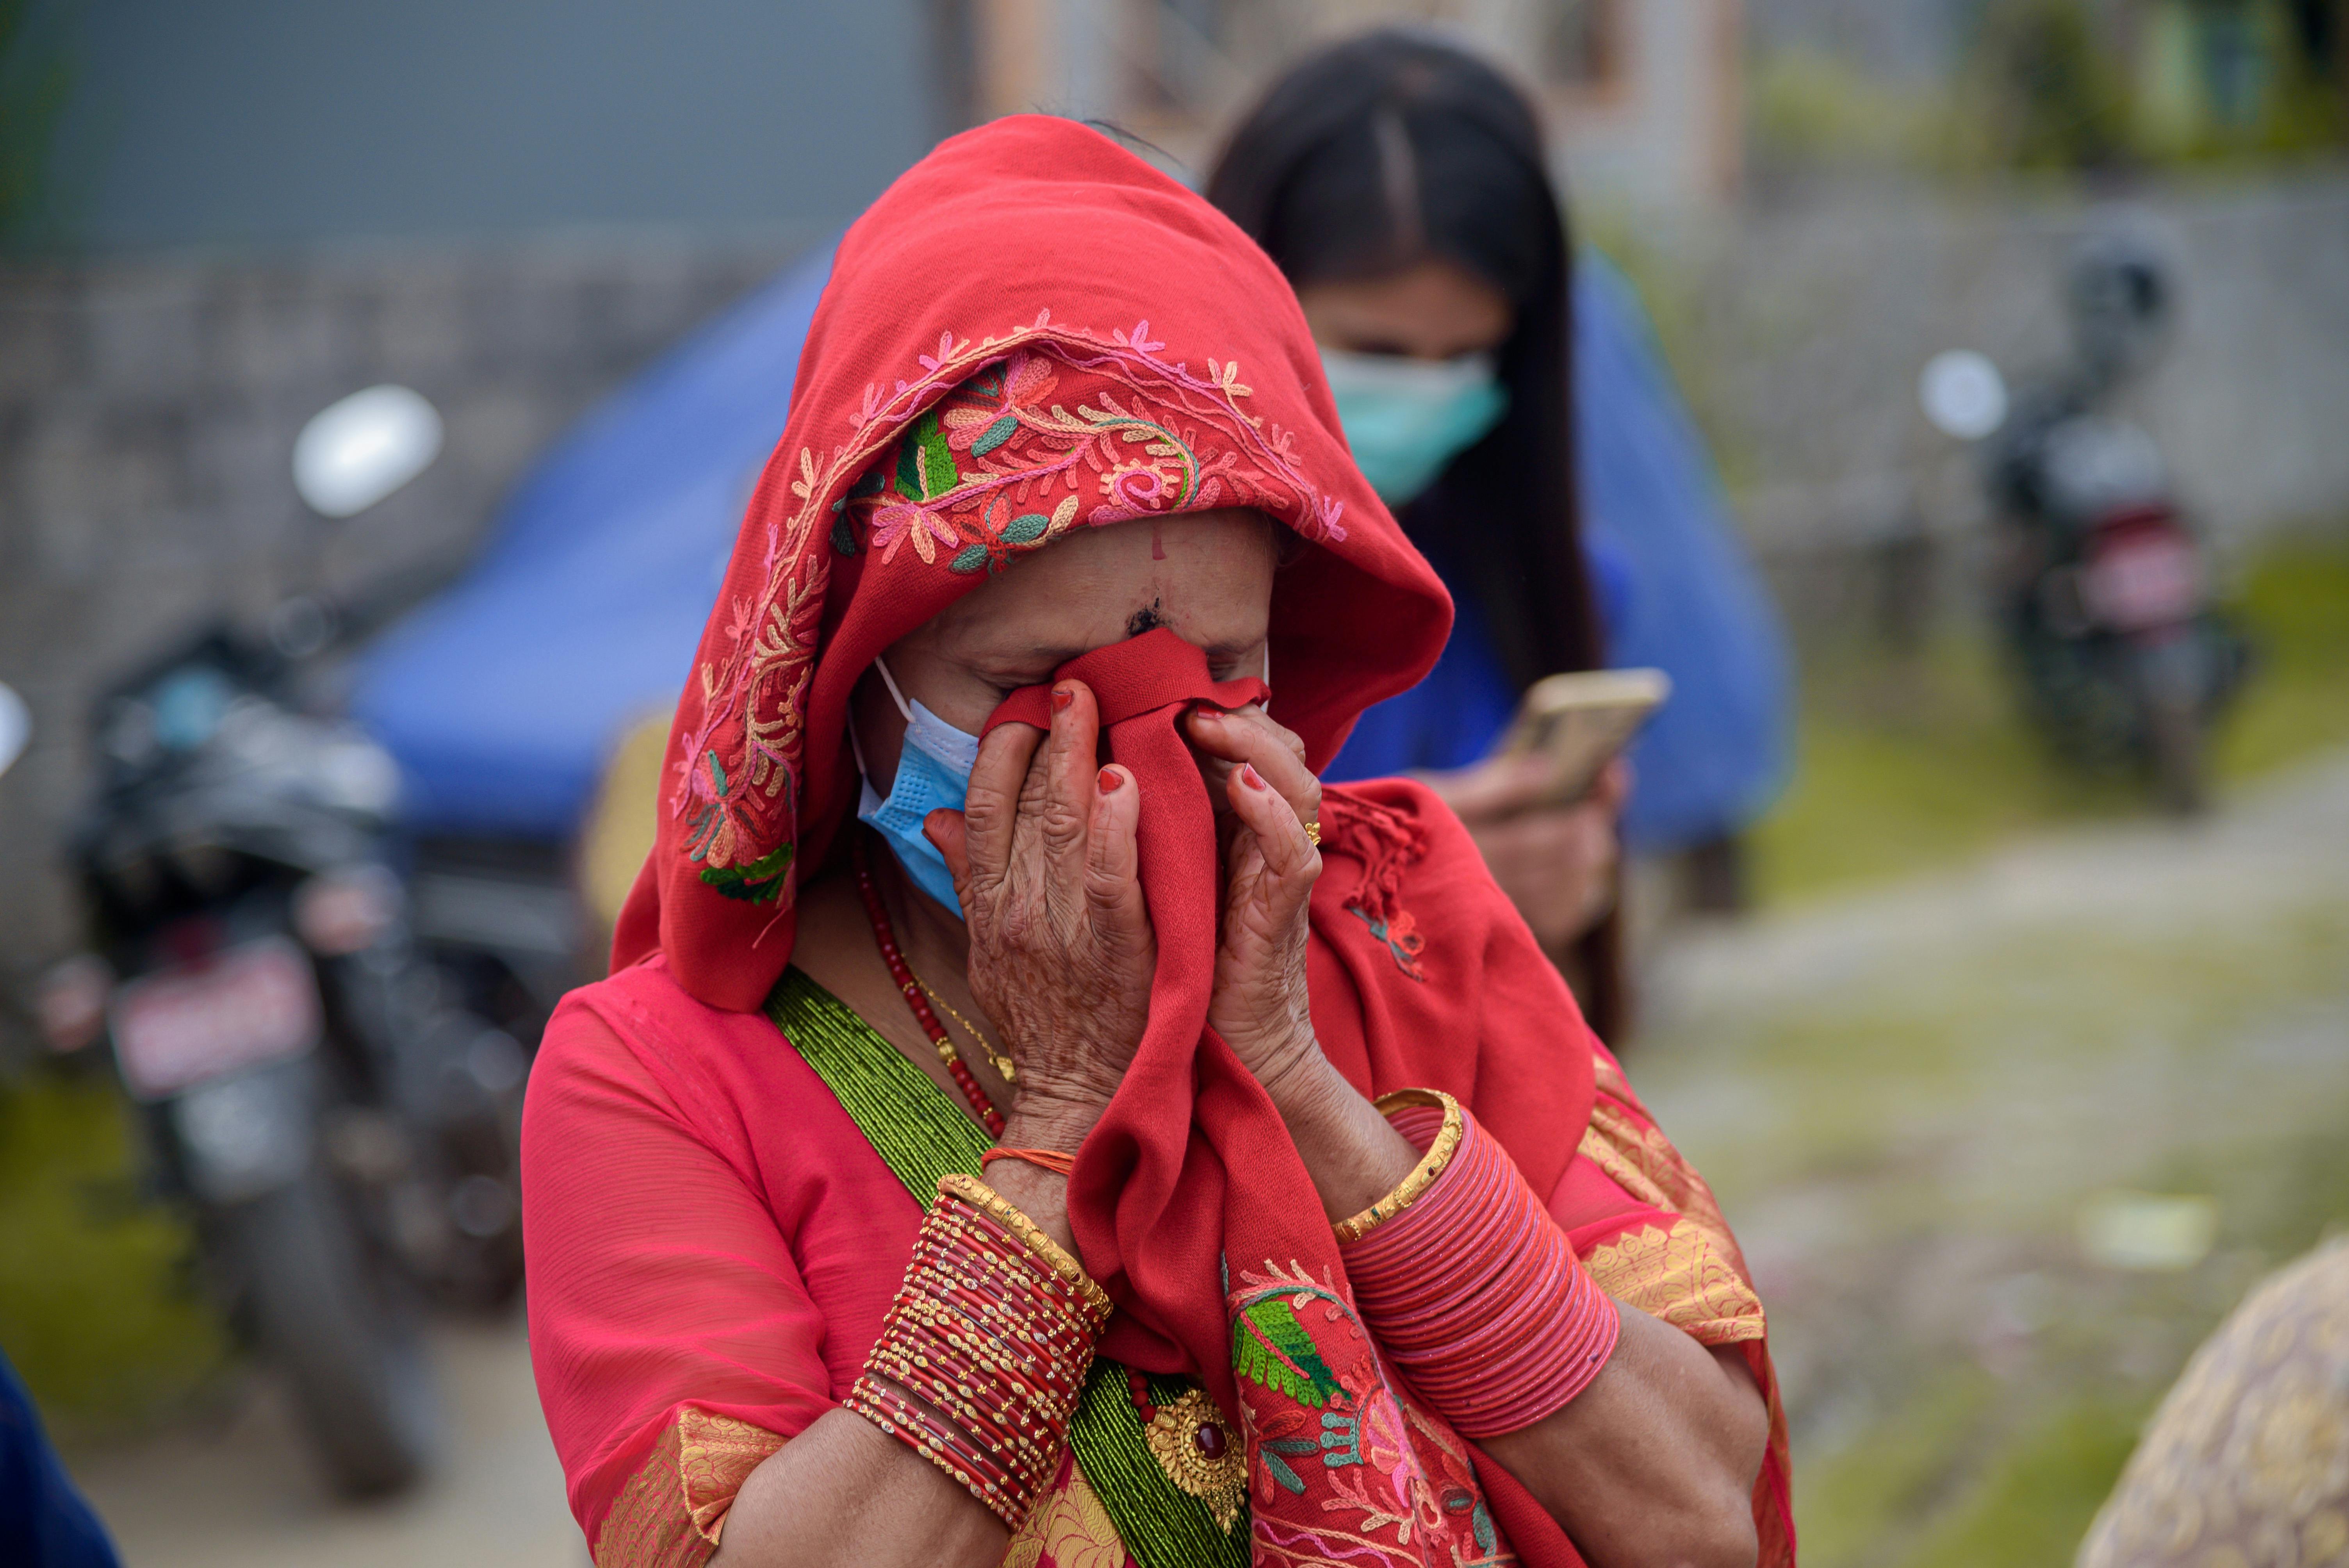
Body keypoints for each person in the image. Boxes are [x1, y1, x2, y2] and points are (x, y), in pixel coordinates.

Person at [522, 117, 1790, 1568]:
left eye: (1222, 667)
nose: (1139, 758)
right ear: (838, 670)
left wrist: (1305, 1088)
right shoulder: (662, 1076)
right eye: (1021, 689)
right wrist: (1060, 1128)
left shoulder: (1407, 916)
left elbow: (1699, 1515)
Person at [1206, 33, 1792, 1033]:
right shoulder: (1144, 590)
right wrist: (1395, 869)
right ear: (1243, 292)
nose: (1421, 395)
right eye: (1377, 350)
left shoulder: (1538, 588)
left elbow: (1520, 1008)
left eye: (1465, 356)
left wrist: (1544, 902)